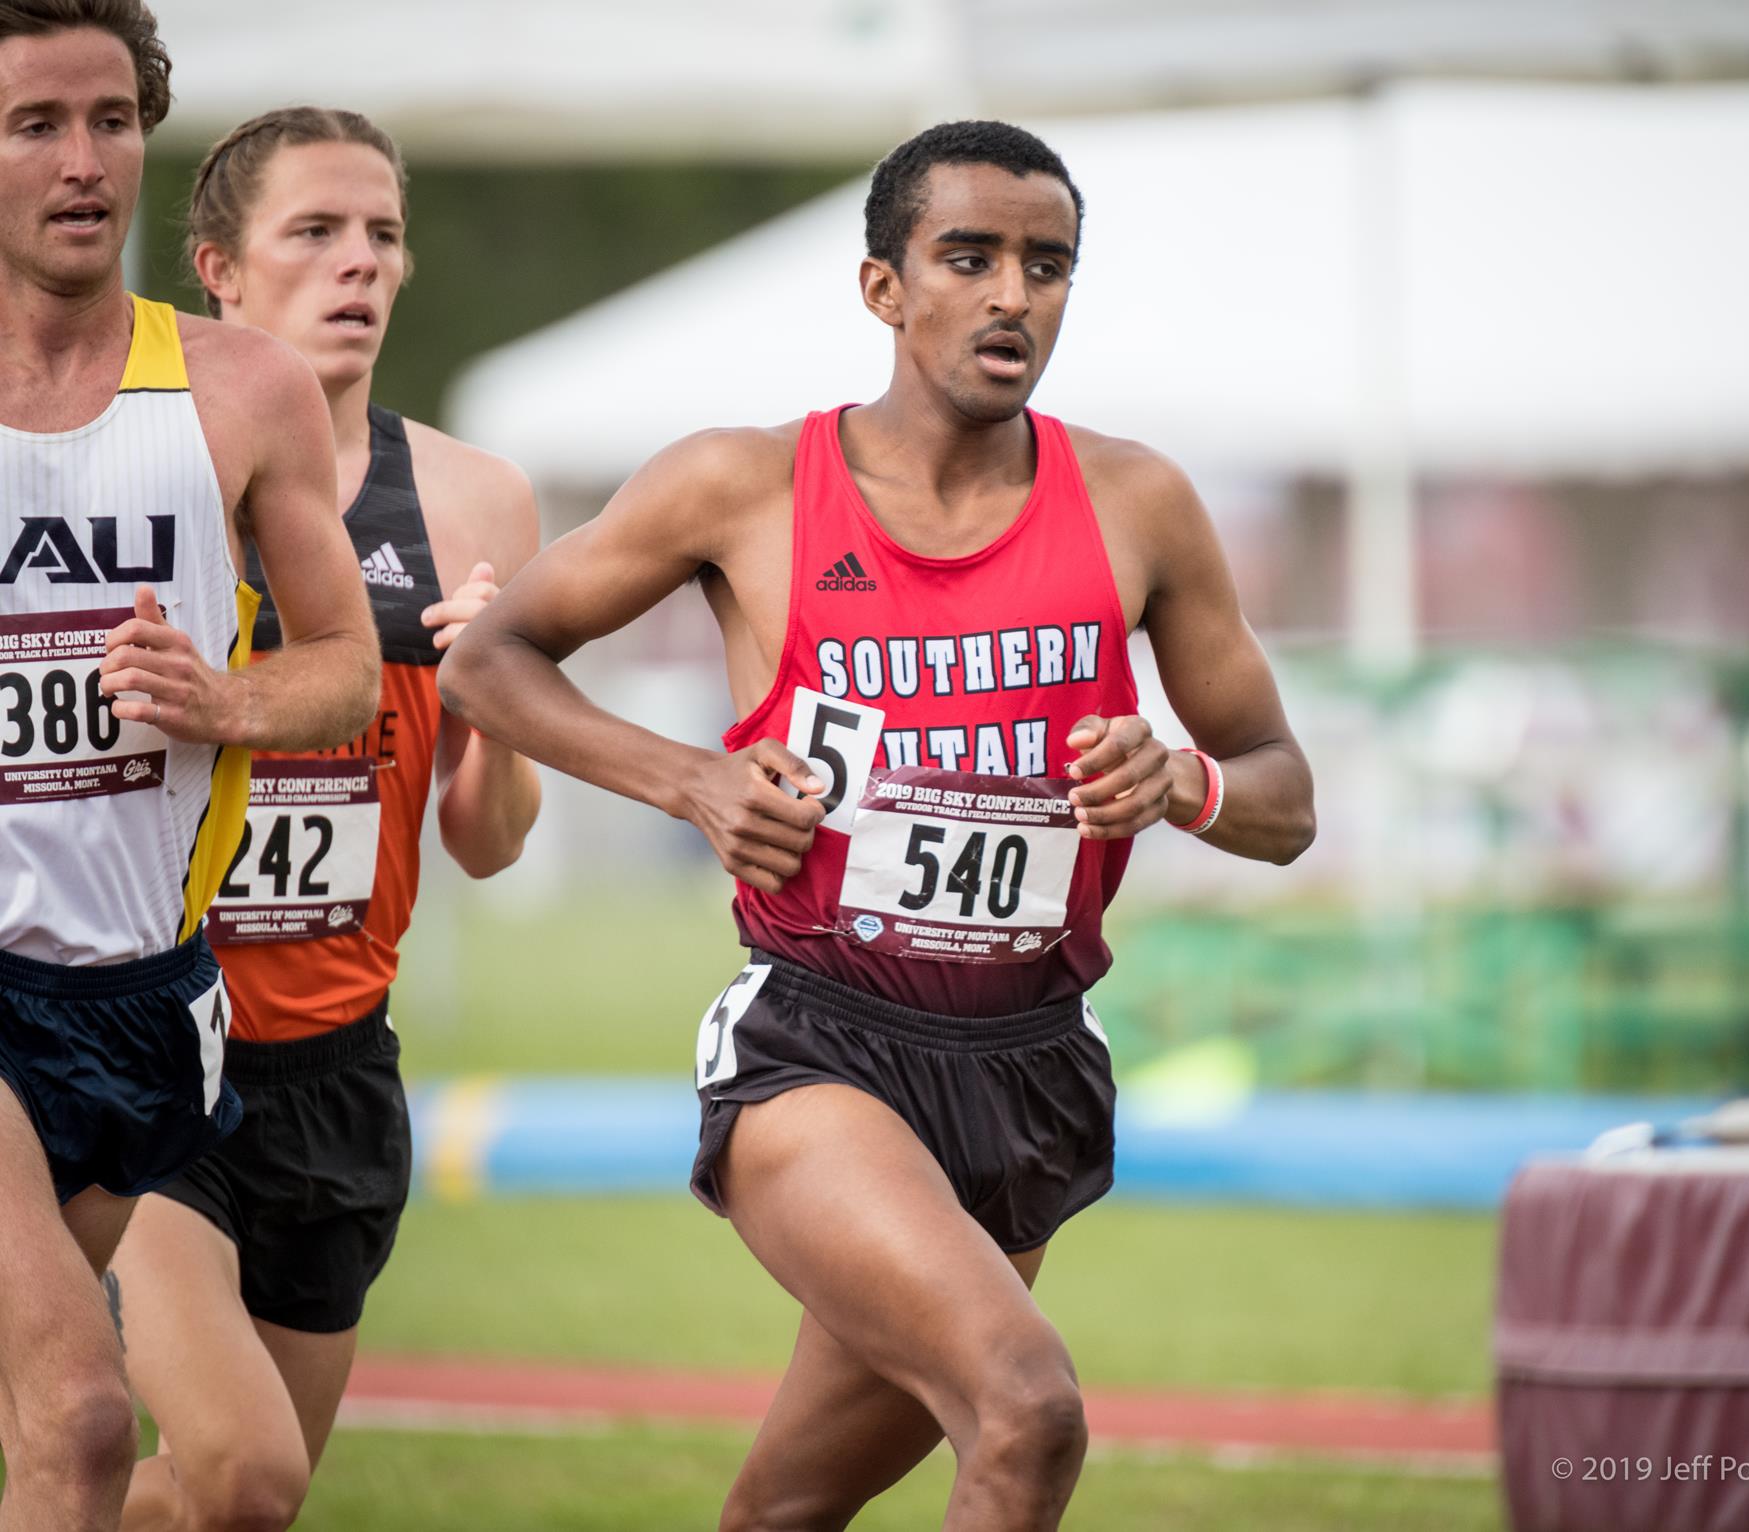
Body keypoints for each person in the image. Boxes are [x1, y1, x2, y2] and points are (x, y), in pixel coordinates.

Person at [442, 119, 1315, 1530]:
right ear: (883, 288)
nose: (1011, 296)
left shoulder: (1140, 502)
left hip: (1026, 1060)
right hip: (820, 1045)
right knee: (1026, 1415)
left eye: (1047, 265)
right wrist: (694, 781)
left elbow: (1284, 791)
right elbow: (491, 661)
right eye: (968, 258)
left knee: (785, 1509)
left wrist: (1182, 783)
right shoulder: (745, 485)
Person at [103, 106, 543, 1532]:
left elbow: (486, 837)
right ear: (219, 270)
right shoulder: (131, 472)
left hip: (342, 1073)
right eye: (317, 233)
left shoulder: (476, 499)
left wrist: (486, 703)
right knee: (244, 1470)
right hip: (156, 1047)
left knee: (229, 1507)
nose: (361, 263)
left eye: (383, 235)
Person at [0, 3, 380, 1527]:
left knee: (157, 1466)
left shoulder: (241, 389)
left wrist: (223, 702)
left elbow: (345, 668)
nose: (87, 162)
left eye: (112, 120)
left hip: (150, 995)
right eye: (37, 124)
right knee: (86, 1415)